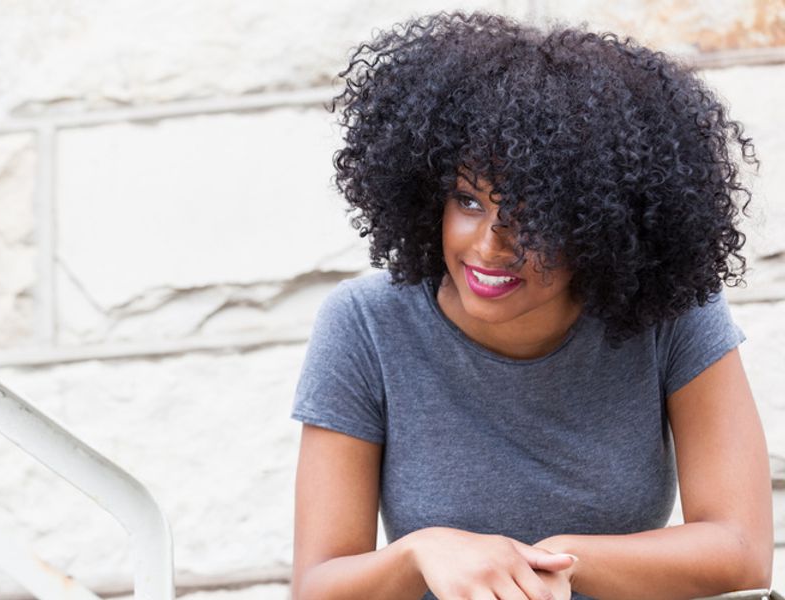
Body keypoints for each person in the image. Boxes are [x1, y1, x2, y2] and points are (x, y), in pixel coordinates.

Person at [289, 10, 773, 600]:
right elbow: (318, 586)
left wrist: (547, 562)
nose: (491, 246)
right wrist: (423, 550)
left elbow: (741, 552)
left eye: (535, 216)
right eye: (468, 200)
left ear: (604, 222)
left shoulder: (669, 315)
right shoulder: (366, 324)